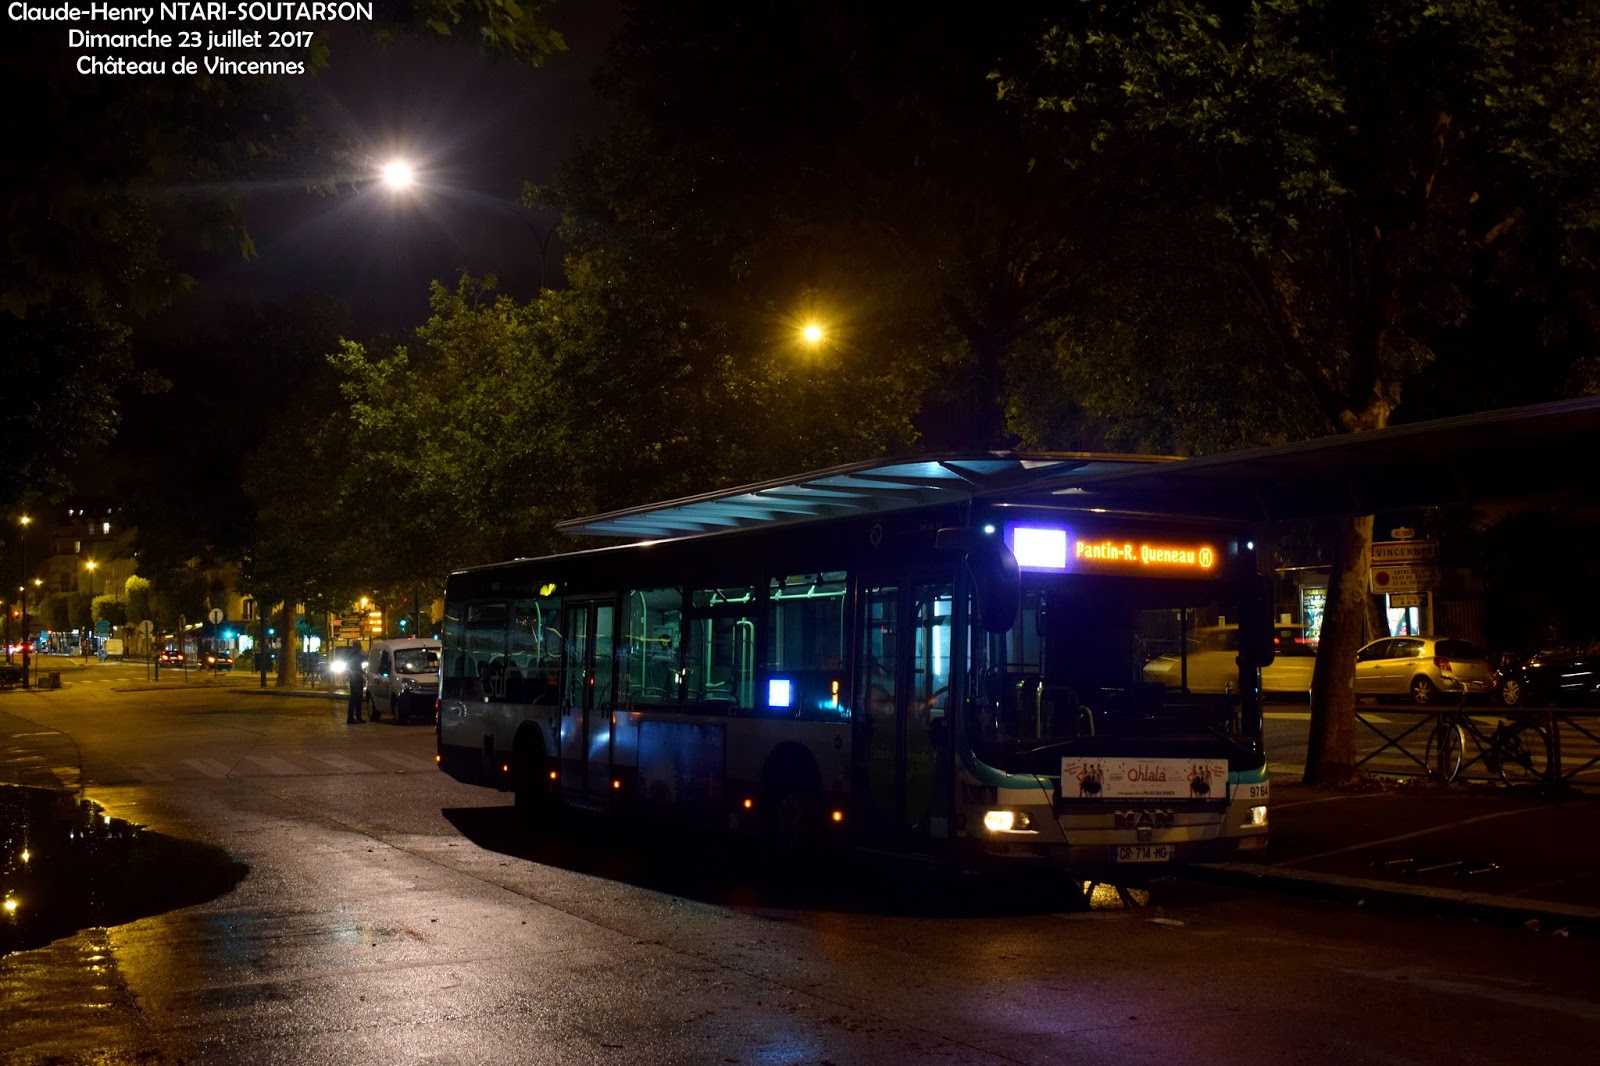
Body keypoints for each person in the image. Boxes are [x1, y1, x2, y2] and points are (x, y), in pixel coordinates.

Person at [345, 640, 367, 723]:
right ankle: (353, 717)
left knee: (357, 698)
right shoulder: (356, 655)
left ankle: (356, 717)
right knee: (355, 698)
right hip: (356, 679)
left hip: (355, 678)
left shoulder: (352, 655)